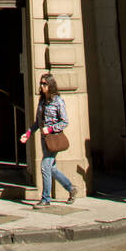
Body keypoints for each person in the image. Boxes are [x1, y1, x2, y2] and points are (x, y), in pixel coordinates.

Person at [20, 73, 77, 207]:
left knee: (45, 167)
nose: (42, 86)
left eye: (44, 84)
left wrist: (50, 129)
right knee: (52, 169)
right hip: (44, 139)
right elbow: (37, 122)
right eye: (41, 83)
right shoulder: (41, 101)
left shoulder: (58, 101)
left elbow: (64, 122)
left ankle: (46, 199)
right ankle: (71, 188)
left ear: (51, 85)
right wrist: (28, 134)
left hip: (54, 139)